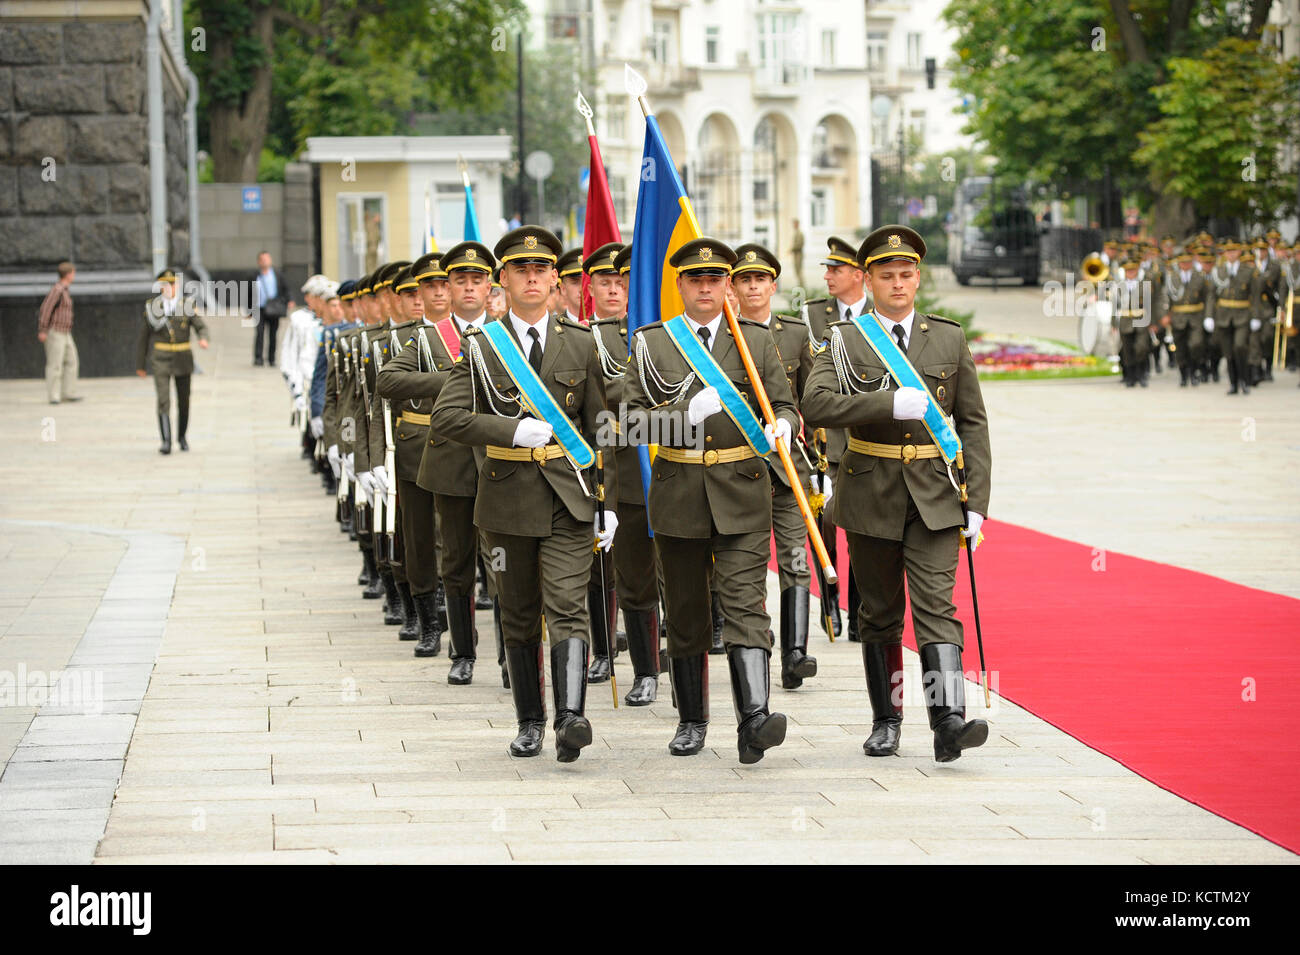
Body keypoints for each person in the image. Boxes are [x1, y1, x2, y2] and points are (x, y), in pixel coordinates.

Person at [801, 225, 992, 762]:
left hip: (934, 494)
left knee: (937, 608)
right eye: (887, 276)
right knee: (881, 613)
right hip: (870, 492)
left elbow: (973, 423)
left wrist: (976, 501)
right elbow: (815, 406)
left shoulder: (947, 337)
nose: (899, 284)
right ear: (869, 280)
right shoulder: (844, 339)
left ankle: (947, 719)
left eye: (907, 274)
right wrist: (885, 405)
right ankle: (887, 719)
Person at [432, 226, 616, 762]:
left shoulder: (580, 342)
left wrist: (607, 504)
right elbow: (447, 417)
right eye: (520, 270)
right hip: (507, 499)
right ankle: (530, 720)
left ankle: (571, 716)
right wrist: (507, 431)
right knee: (517, 611)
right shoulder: (483, 345)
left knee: (568, 605)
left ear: (554, 278)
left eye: (541, 270)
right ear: (503, 281)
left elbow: (602, 428)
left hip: (569, 498)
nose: (532, 278)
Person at [623, 237, 799, 763]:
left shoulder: (755, 340)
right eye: (695, 280)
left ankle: (754, 720)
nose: (706, 287)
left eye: (715, 279)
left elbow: (784, 402)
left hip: (742, 491)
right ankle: (692, 719)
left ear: (728, 285)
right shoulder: (653, 343)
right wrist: (683, 417)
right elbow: (626, 423)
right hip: (678, 494)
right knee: (686, 613)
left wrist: (784, 426)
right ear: (680, 286)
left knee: (747, 604)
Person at [731, 242, 820, 690]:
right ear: (734, 285)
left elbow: (811, 395)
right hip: (741, 467)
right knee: (744, 562)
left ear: (773, 285)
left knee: (796, 557)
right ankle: (754, 639)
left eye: (760, 279)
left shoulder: (795, 334)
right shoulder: (726, 333)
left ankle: (797, 651)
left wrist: (800, 426)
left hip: (788, 468)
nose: (752, 286)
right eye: (744, 279)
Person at [137, 269, 209, 454]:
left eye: (172, 284)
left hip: (183, 358)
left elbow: (201, 326)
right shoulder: (152, 307)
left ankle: (182, 437)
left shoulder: (186, 305)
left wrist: (203, 338)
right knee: (163, 399)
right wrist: (140, 364)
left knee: (183, 400)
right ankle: (166, 440)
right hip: (161, 358)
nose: (169, 288)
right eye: (165, 284)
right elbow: (144, 337)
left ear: (177, 285)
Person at [37, 261, 81, 405]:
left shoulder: (65, 290)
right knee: (55, 364)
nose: (74, 275)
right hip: (55, 332)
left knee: (72, 361)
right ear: (68, 274)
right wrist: (43, 329)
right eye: (73, 273)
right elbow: (46, 309)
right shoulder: (58, 290)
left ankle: (68, 392)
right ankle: (54, 395)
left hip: (66, 332)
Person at [253, 251, 288, 367]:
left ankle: (271, 359)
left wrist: (288, 301)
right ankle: (258, 358)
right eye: (262, 259)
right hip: (259, 309)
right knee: (259, 333)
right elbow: (248, 293)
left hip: (274, 308)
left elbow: (285, 289)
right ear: (258, 262)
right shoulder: (254, 276)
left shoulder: (277, 274)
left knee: (273, 334)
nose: (264, 262)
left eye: (266, 259)